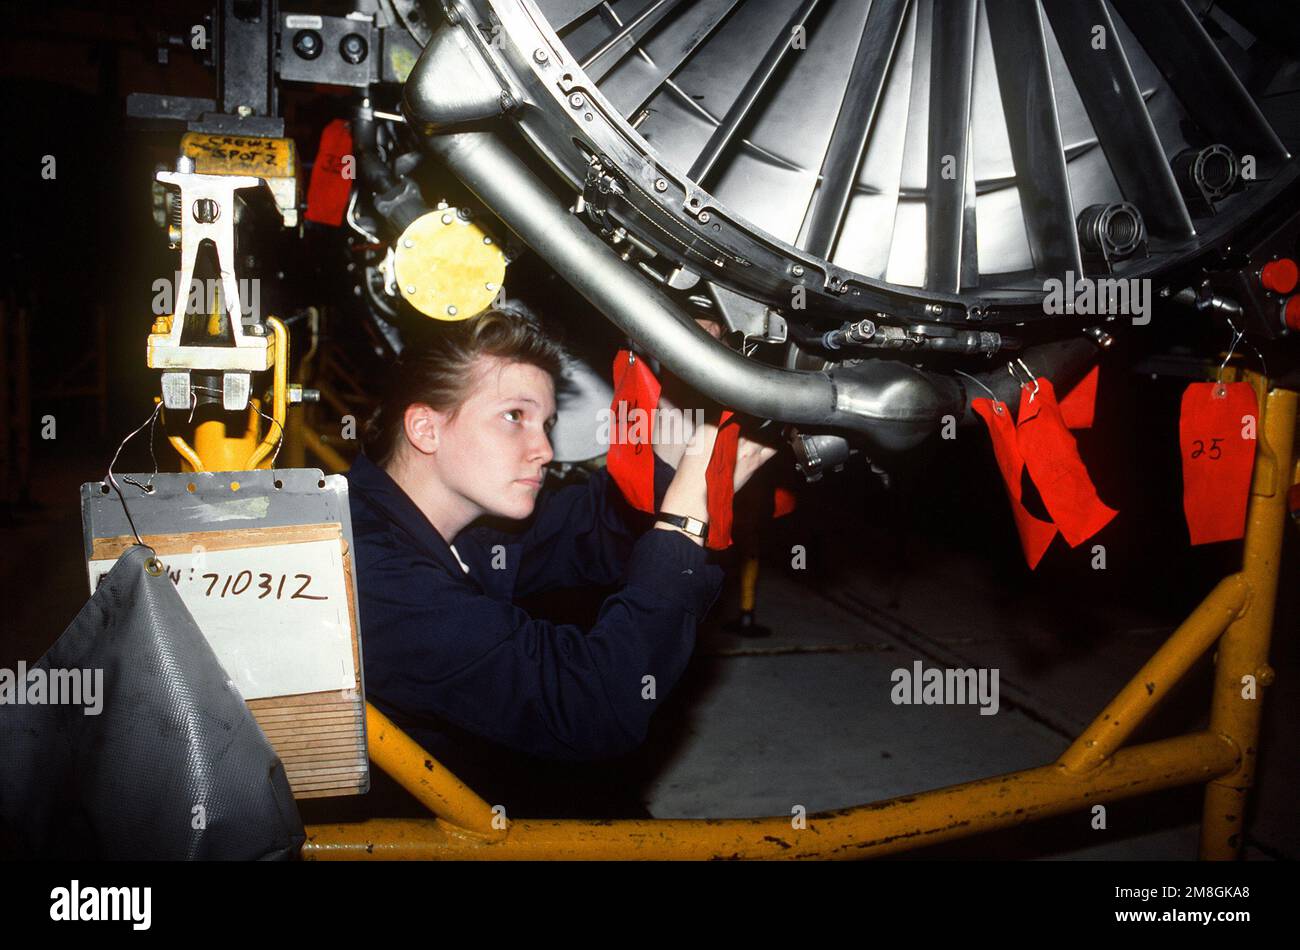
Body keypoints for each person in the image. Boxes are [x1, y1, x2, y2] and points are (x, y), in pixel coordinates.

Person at [346, 309, 777, 817]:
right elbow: (589, 706)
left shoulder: (461, 527)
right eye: (515, 417)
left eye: (546, 423)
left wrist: (680, 396)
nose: (545, 449)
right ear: (425, 427)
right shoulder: (370, 574)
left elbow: (599, 527)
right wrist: (686, 521)